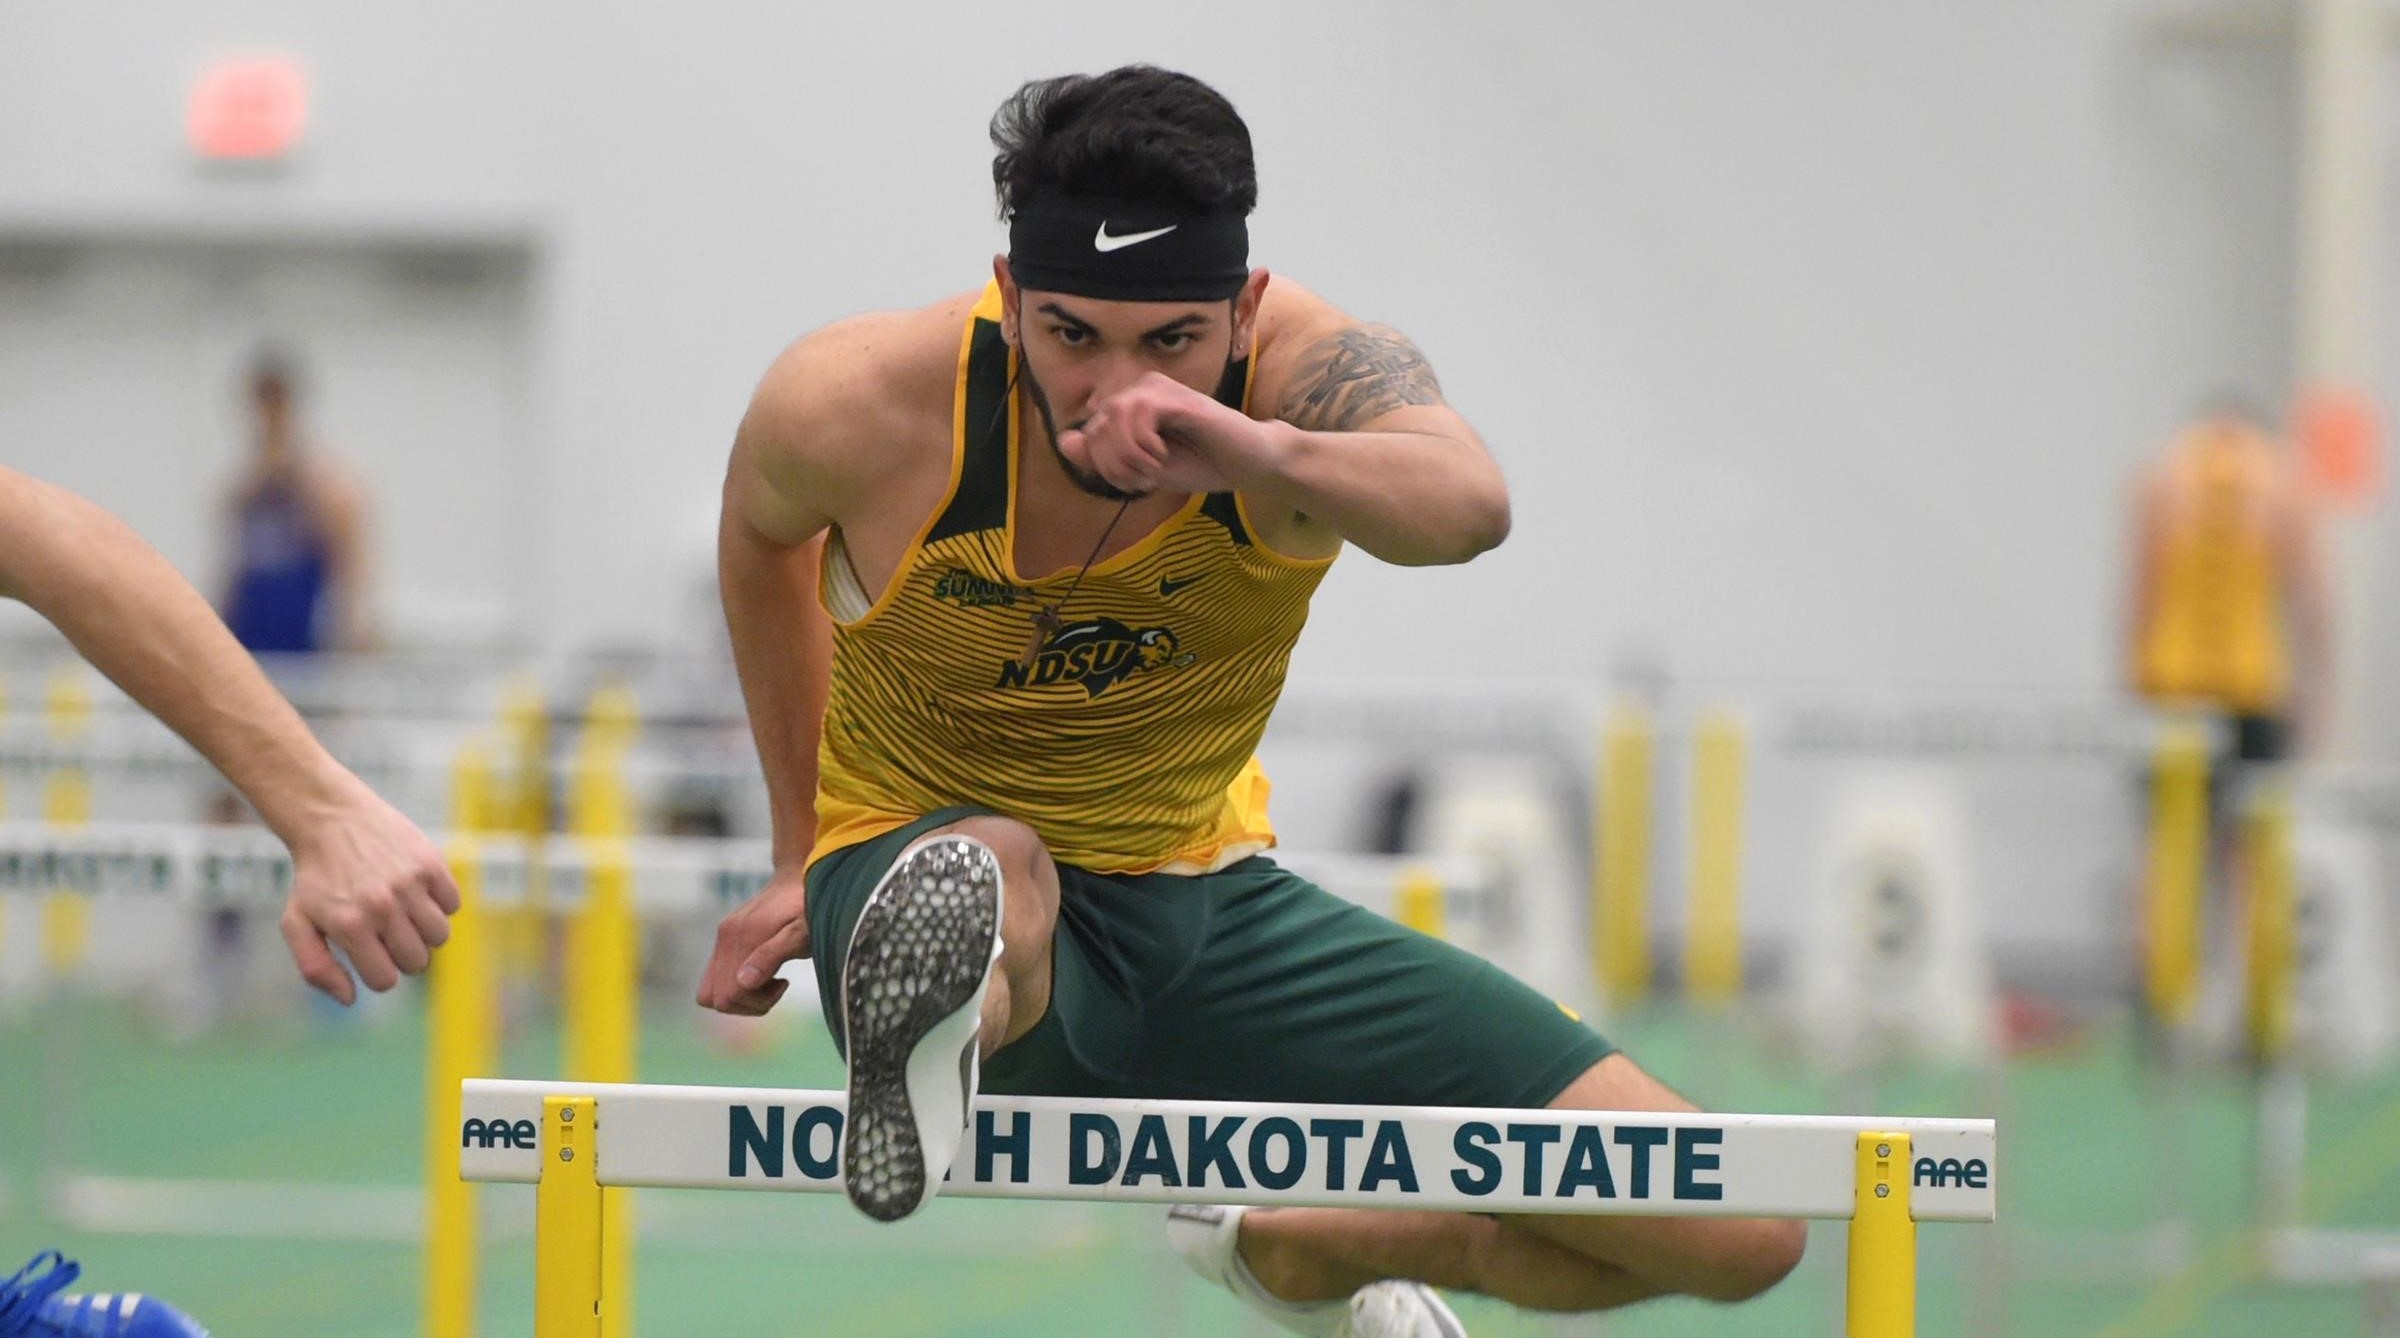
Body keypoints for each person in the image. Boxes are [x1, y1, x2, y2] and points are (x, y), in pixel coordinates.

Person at [696, 66, 1804, 1335]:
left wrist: (1247, 446)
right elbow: (758, 536)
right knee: (993, 866)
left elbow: (1470, 508)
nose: (1121, 390)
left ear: (1245, 309)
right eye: (1072, 336)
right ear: (1007, 299)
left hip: (1206, 902)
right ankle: (944, 1024)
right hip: (918, 869)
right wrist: (800, 849)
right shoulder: (859, 404)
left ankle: (1292, 1246)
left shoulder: (1304, 377)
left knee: (1740, 1228)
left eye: (1171, 342)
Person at [0, 465, 459, 1005]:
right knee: (222, 816)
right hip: (245, 668)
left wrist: (321, 806)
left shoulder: (327, 492)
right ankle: (222, 968)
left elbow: (38, 532)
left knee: (330, 863)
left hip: (301, 678)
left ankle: (323, 1002)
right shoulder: (243, 491)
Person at [218, 349, 377, 656]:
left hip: (305, 635)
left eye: (275, 403)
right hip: (253, 631)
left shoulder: (326, 483)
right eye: (260, 404)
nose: (266, 416)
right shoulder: (244, 487)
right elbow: (236, 568)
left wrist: (355, 629)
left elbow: (351, 562)